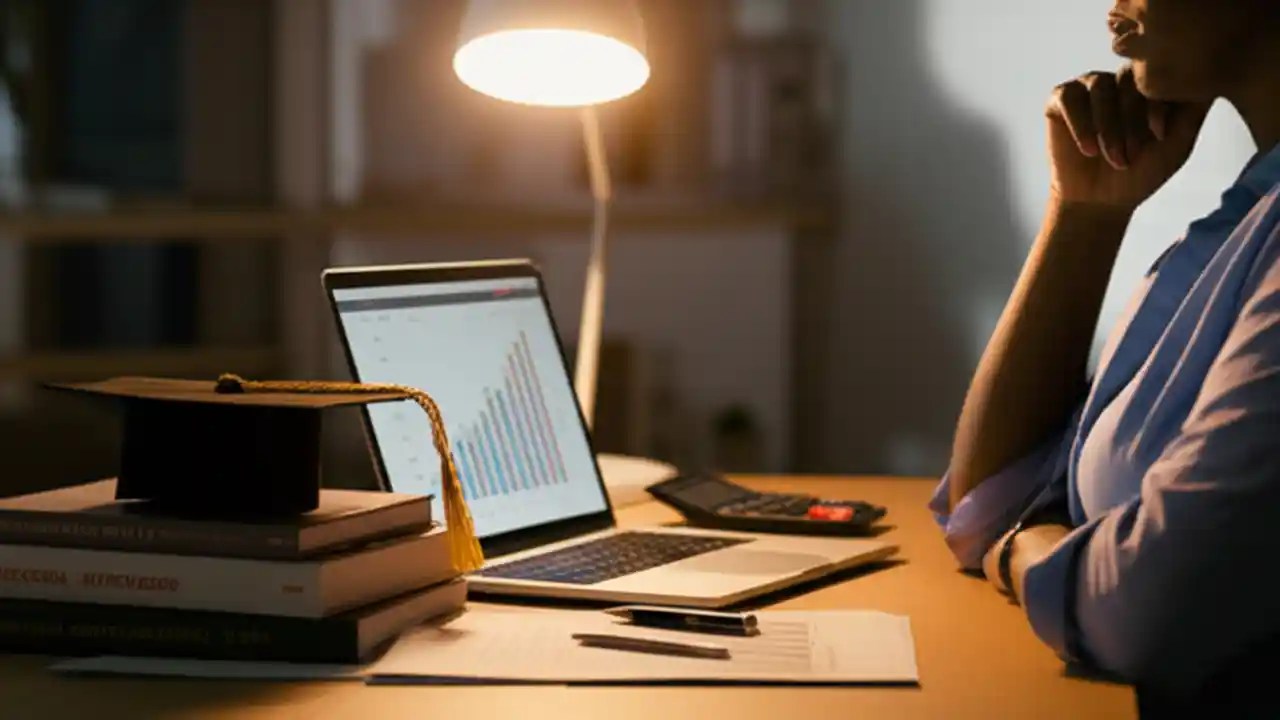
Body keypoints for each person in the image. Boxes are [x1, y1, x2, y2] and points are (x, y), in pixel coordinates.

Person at [932, 0, 1280, 707]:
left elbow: (1154, 606)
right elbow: (988, 503)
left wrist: (1024, 550)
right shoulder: (1248, 213)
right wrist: (1085, 212)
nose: (1112, 5)